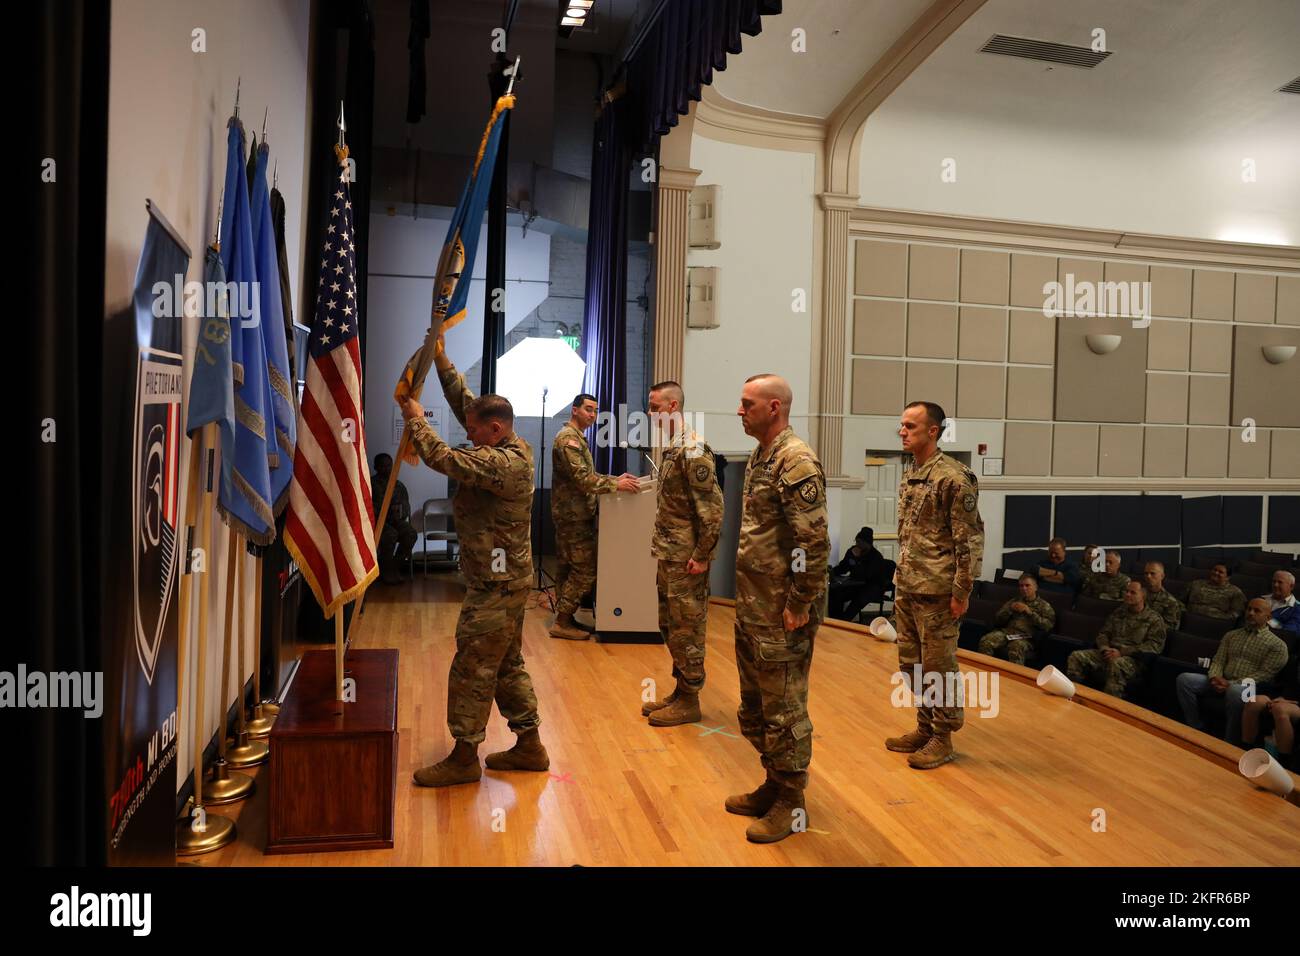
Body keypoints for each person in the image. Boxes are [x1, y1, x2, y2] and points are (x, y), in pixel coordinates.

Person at [399, 332, 549, 787]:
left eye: (475, 430)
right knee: (505, 664)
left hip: (496, 585)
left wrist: (416, 420)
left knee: (472, 665)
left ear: (496, 430)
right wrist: (441, 361)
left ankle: (465, 756)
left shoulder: (504, 463)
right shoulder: (503, 440)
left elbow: (443, 458)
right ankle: (529, 747)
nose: (469, 433)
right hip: (504, 579)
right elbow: (468, 403)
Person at [726, 373, 829, 843]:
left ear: (774, 407)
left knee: (784, 710)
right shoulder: (761, 456)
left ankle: (791, 800)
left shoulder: (795, 460)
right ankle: (774, 782)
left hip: (782, 612)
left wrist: (799, 603)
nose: (740, 411)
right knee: (753, 709)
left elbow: (814, 542)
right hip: (754, 606)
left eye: (747, 404)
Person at [884, 401, 984, 771]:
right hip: (909, 585)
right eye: (902, 425)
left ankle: (943, 736)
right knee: (912, 665)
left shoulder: (954, 478)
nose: (903, 431)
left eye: (910, 426)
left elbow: (969, 541)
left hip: (939, 592)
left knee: (939, 666)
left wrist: (961, 592)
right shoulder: (912, 473)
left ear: (933, 431)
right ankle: (924, 727)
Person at [641, 380, 723, 727]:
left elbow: (712, 508)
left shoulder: (692, 449)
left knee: (687, 628)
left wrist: (703, 554)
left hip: (687, 557)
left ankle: (690, 699)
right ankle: (681, 689)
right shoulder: (674, 447)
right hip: (671, 552)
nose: (650, 413)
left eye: (655, 406)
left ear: (673, 407)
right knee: (670, 624)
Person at [548, 393, 639, 640]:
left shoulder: (576, 438)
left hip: (574, 514)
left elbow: (586, 473)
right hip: (573, 516)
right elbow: (582, 479)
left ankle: (564, 617)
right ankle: (562, 621)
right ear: (574, 410)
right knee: (585, 569)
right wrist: (615, 485)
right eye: (588, 409)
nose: (592, 414)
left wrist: (614, 479)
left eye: (595, 410)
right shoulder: (568, 440)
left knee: (568, 568)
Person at [1175, 598, 1289, 744]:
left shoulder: (1278, 646)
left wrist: (1231, 684)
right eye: (1249, 609)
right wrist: (1214, 677)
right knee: (1184, 679)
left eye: (1257, 610)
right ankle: (1195, 727)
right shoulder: (1232, 635)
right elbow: (1219, 660)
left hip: (1251, 687)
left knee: (1235, 691)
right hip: (1222, 681)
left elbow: (1264, 675)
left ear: (1268, 617)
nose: (1250, 613)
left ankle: (1229, 741)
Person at [1066, 580, 1166, 699]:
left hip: (1133, 661)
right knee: (1076, 656)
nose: (1128, 595)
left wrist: (1122, 652)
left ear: (1143, 596)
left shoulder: (1154, 619)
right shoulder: (1119, 612)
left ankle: (1108, 705)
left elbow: (1154, 646)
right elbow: (1104, 633)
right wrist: (1104, 648)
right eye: (1127, 591)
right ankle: (1073, 694)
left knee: (1117, 664)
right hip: (1109, 652)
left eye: (1133, 592)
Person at [978, 572, 1054, 665]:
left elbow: (1048, 626)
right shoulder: (1014, 601)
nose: (1024, 588)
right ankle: (985, 671)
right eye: (1021, 586)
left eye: (1027, 585)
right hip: (1008, 633)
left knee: (1016, 646)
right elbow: (998, 620)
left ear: (1035, 587)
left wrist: (1030, 613)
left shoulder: (1044, 606)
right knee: (986, 641)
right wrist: (1009, 610)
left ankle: (1013, 677)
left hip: (1027, 638)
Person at [1242, 661, 1300, 772]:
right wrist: (1278, 697)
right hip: (1282, 696)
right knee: (1254, 701)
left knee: (1280, 710)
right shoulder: (1295, 660)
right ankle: (1247, 751)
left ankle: (1284, 765)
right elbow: (1283, 683)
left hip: (1296, 703)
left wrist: (1289, 701)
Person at [371, 453, 418, 584]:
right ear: (376, 467)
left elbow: (406, 507)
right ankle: (385, 570)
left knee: (410, 533)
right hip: (377, 522)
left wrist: (400, 512)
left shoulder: (398, 485)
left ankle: (393, 567)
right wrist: (382, 510)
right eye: (383, 465)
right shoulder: (370, 484)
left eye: (388, 465)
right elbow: (366, 508)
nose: (386, 468)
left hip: (395, 520)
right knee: (390, 535)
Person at [828, 527, 892, 622]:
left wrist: (857, 559)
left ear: (867, 544)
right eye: (857, 541)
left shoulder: (876, 557)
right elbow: (843, 567)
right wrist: (831, 571)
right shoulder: (852, 551)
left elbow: (867, 575)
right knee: (836, 592)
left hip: (872, 586)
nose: (857, 544)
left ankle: (844, 621)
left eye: (860, 542)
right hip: (855, 584)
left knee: (858, 599)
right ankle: (835, 620)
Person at [1141, 562, 1184, 631]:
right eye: (1146, 573)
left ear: (1162, 576)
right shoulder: (1138, 594)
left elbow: (1169, 628)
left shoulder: (1170, 602)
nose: (1148, 576)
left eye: (1152, 573)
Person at [1264, 570, 1299, 637]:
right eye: (1274, 581)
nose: (1275, 585)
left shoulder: (1297, 608)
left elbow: (1290, 633)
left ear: (1291, 586)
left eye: (1280, 582)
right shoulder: (1261, 599)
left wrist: (1265, 619)